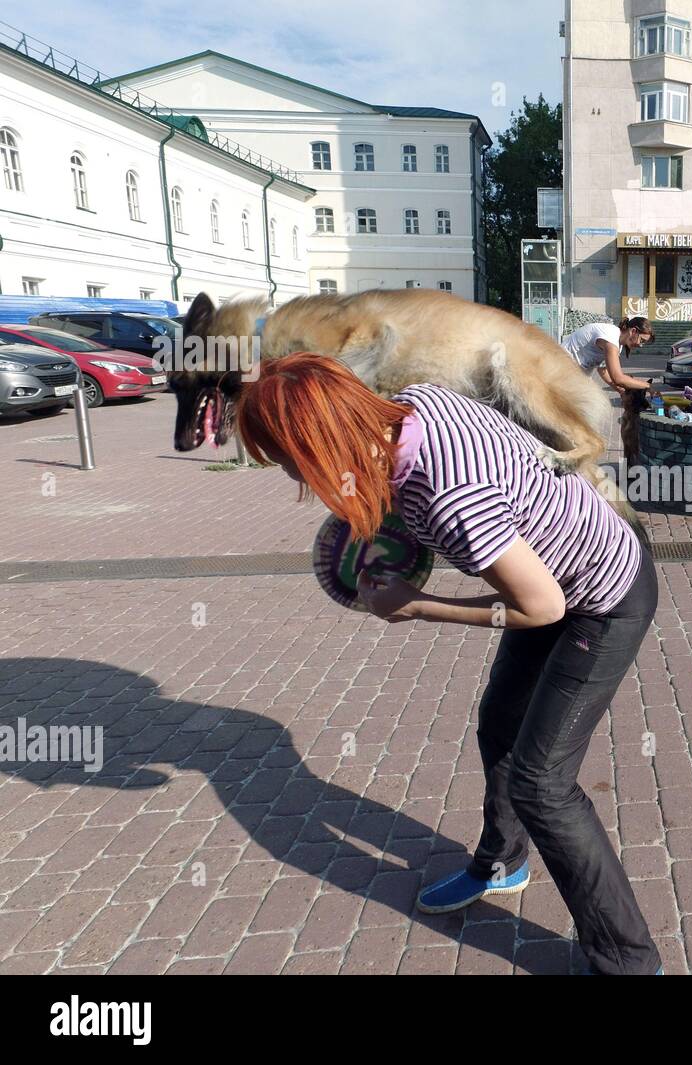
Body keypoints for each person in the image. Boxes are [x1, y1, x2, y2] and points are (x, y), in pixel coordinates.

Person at [235, 352, 663, 976]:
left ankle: (628, 960)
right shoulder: (418, 401)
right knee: (500, 726)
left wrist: (418, 606)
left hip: (601, 599)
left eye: (293, 464)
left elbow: (539, 608)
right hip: (557, 571)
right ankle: (503, 861)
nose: (299, 481)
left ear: (322, 448)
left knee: (543, 786)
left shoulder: (451, 498)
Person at [561, 316, 655, 396]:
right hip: (562, 373)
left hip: (574, 378)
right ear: (633, 331)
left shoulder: (617, 343)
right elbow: (618, 378)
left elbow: (602, 370)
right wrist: (647, 386)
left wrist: (621, 391)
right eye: (641, 340)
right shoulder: (610, 338)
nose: (640, 345)